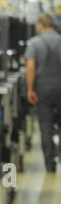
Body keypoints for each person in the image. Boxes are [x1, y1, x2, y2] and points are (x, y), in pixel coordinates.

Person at [26, 12, 61, 172]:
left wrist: (30, 89)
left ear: (40, 25)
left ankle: (50, 162)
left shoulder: (35, 43)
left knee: (46, 126)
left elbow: (30, 66)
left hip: (43, 90)